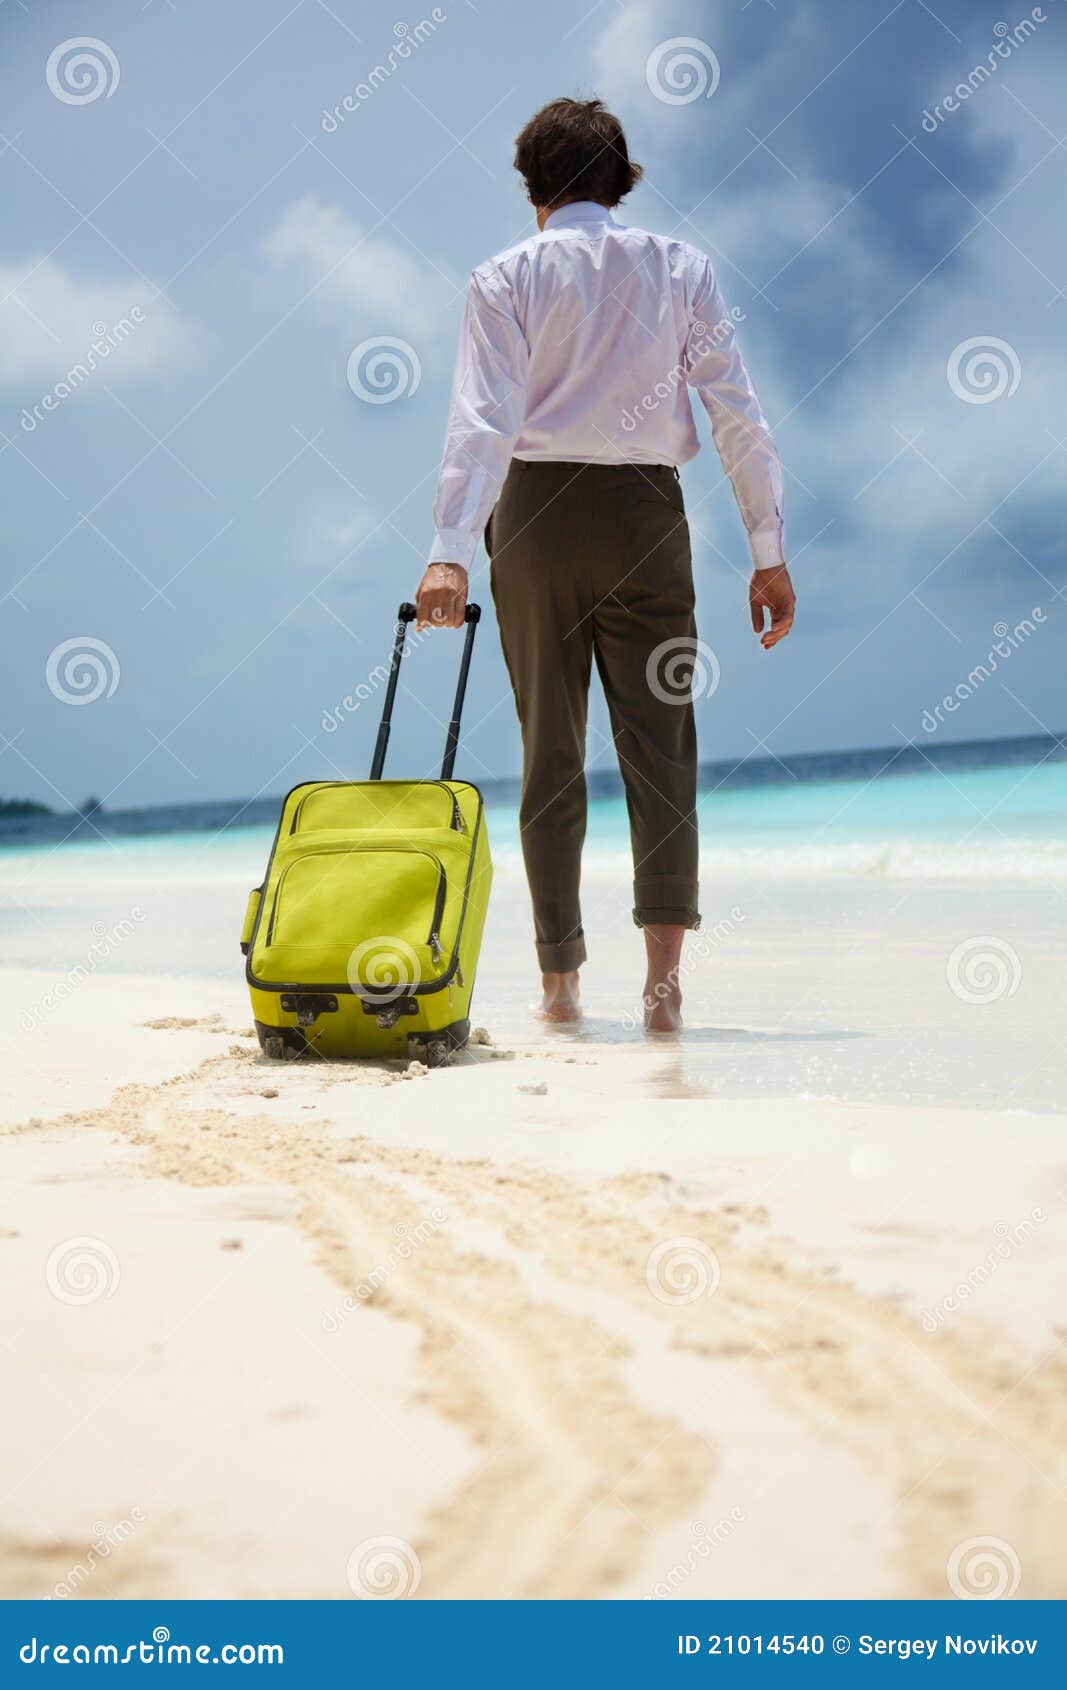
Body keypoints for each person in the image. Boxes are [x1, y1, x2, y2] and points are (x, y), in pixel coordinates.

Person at [415, 97, 795, 1030]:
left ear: (533, 188)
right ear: (620, 179)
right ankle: (662, 990)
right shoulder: (681, 268)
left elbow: (481, 424)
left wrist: (448, 557)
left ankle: (558, 984)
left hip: (534, 518)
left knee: (549, 750)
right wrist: (766, 549)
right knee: (661, 747)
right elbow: (735, 412)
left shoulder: (501, 277)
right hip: (645, 520)